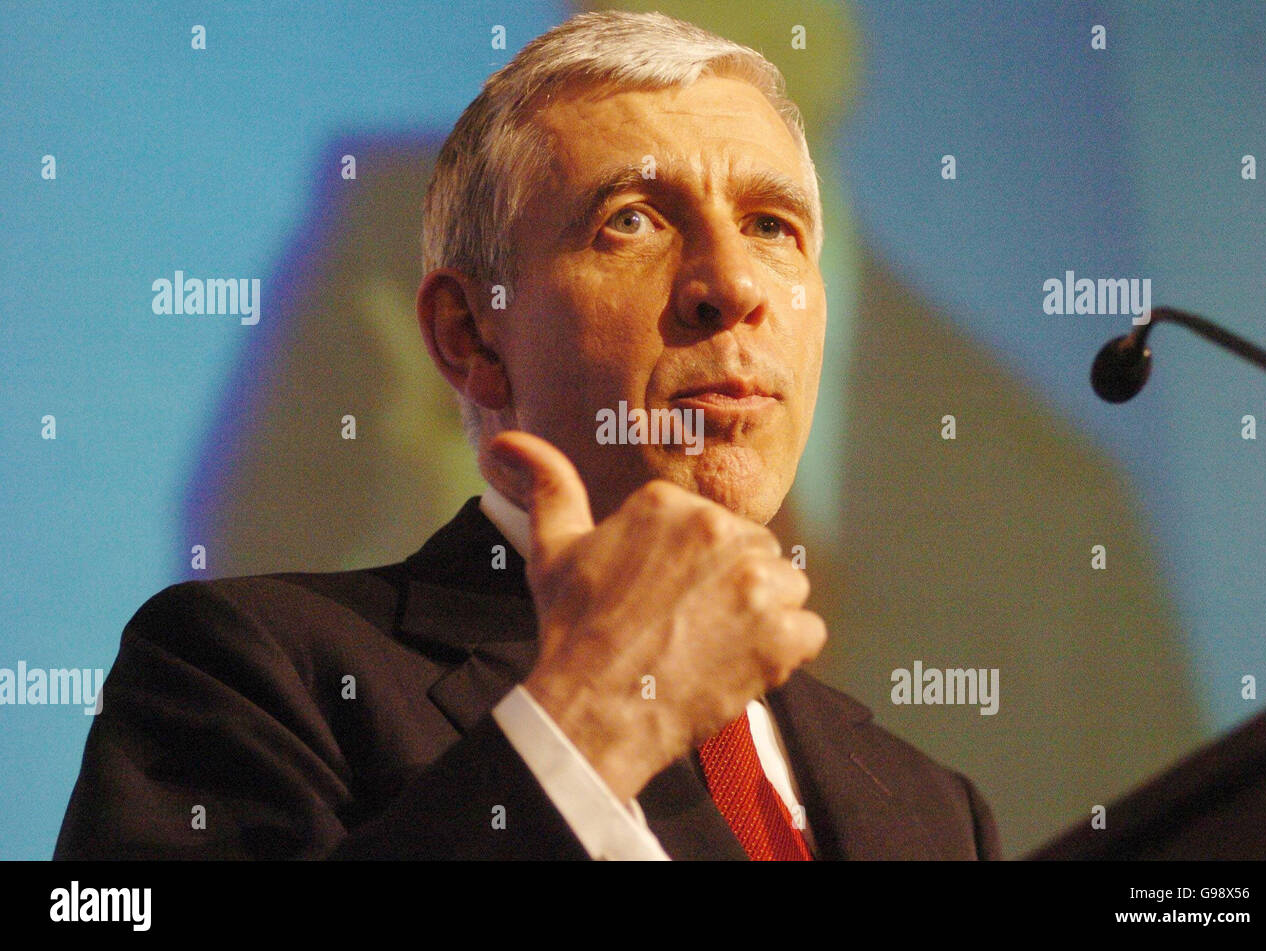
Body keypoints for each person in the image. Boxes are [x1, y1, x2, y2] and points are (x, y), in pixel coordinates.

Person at [54, 10, 1000, 861]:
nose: (734, 284)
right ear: (472, 334)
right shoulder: (249, 673)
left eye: (770, 225)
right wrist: (589, 725)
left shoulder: (934, 810)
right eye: (630, 220)